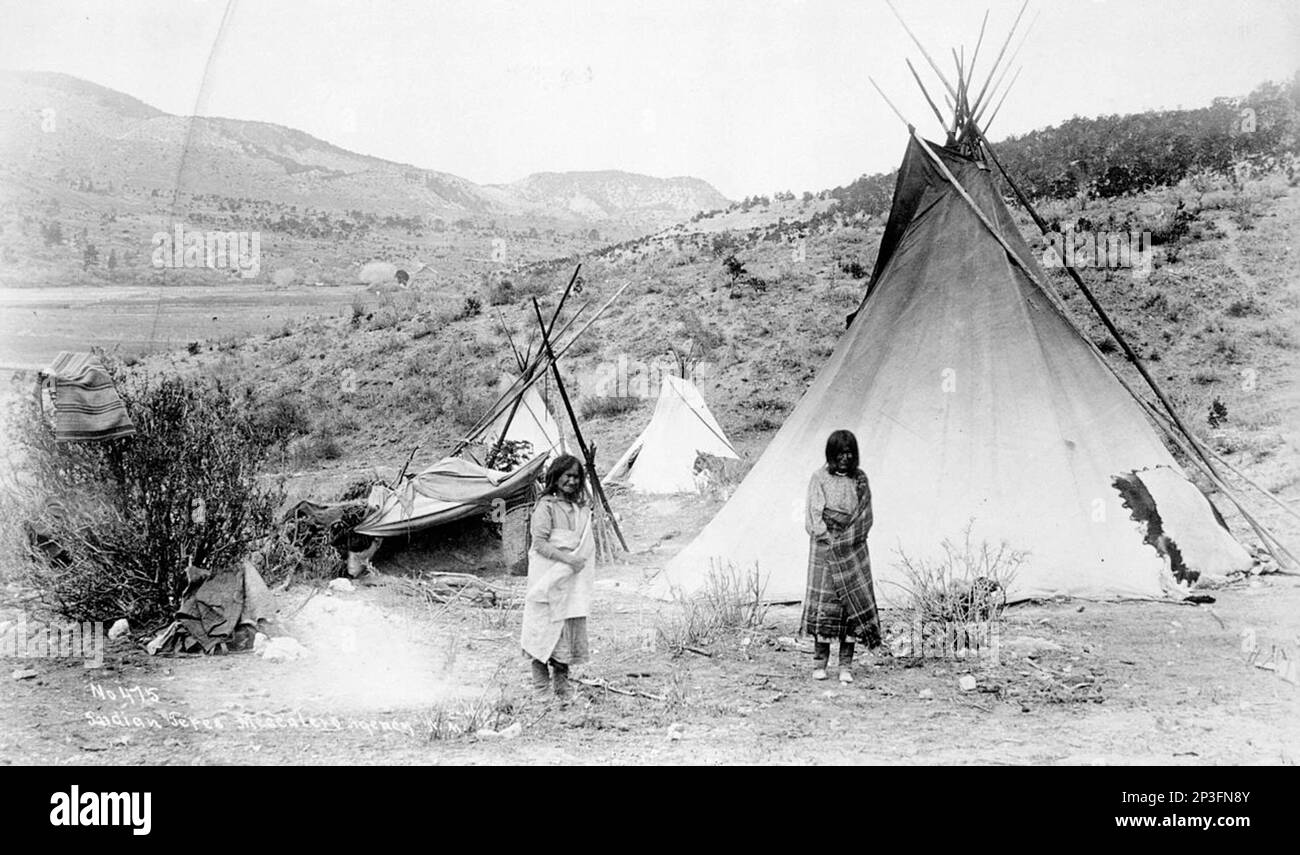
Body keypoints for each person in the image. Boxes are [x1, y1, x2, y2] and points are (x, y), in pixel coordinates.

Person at [801, 429, 882, 683]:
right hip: (826, 547)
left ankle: (845, 666)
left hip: (853, 546)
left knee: (851, 606)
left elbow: (865, 516)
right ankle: (819, 663)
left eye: (849, 453)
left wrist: (847, 541)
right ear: (831, 455)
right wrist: (830, 538)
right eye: (839, 454)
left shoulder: (860, 479)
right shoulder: (819, 478)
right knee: (825, 606)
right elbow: (813, 517)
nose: (845, 459)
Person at [520, 454, 594, 700]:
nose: (572, 481)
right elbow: (540, 544)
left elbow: (583, 544)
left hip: (570, 580)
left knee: (565, 633)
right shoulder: (546, 506)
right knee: (542, 632)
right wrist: (568, 560)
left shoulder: (578, 509)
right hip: (547, 577)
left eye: (576, 477)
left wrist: (575, 561)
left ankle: (562, 689)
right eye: (568, 475)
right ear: (556, 476)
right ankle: (541, 691)